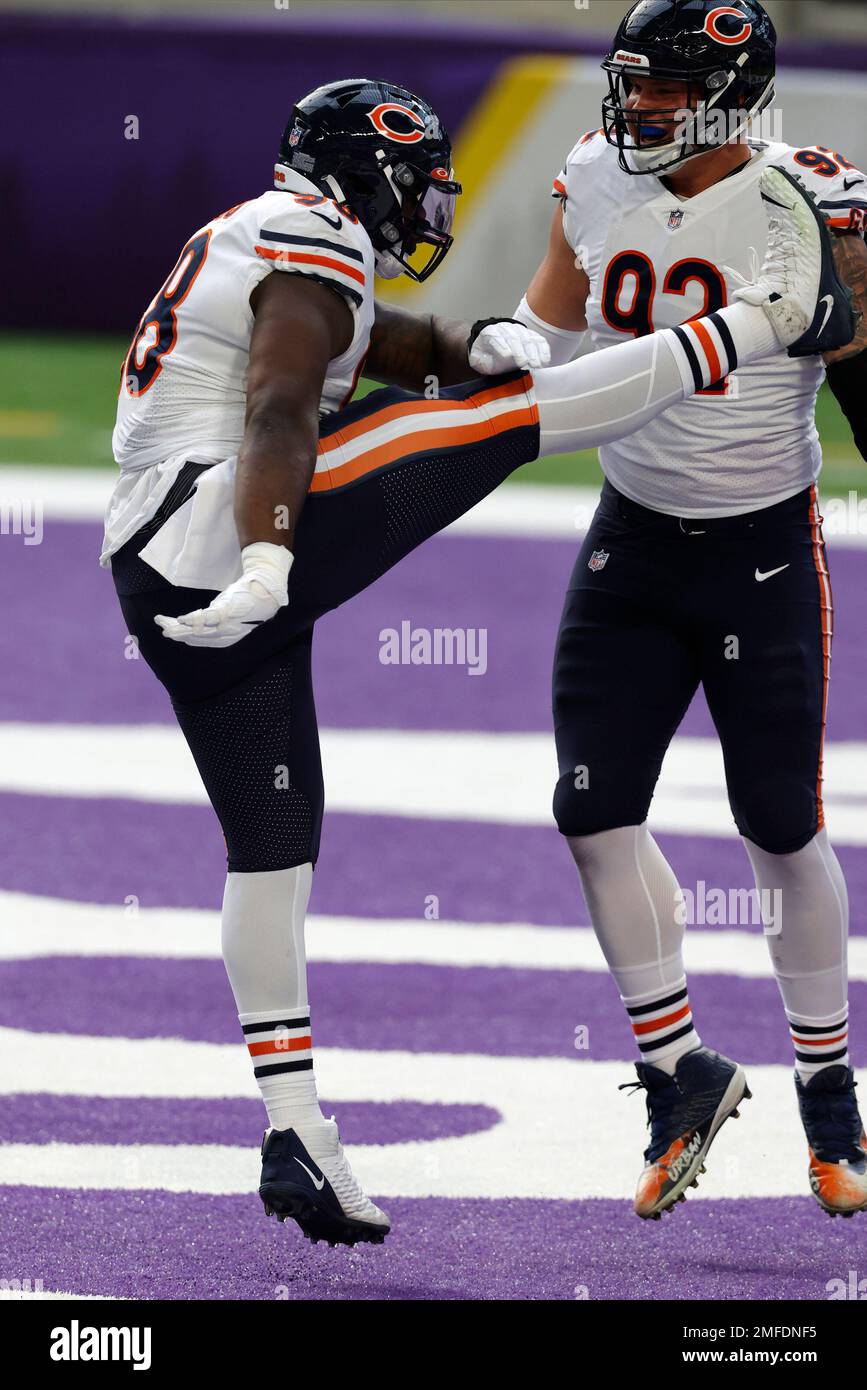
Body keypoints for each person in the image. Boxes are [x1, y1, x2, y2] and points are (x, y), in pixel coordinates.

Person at [102, 74, 854, 1244]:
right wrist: (266, 553)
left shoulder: (261, 234)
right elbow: (282, 408)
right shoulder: (311, 238)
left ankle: (298, 1132)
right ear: (359, 170)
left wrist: (465, 337)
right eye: (411, 175)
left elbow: (368, 340)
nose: (428, 198)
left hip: (153, 577)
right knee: (518, 416)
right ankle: (747, 328)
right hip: (224, 527)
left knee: (271, 848)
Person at [499, 0, 867, 1219]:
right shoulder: (596, 173)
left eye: (662, 89)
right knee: (592, 808)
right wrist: (478, 366)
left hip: (761, 545)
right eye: (632, 85)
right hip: (634, 539)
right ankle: (677, 1076)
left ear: (727, 96)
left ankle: (833, 1111)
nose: (636, 108)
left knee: (778, 825)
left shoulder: (807, 199)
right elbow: (543, 329)